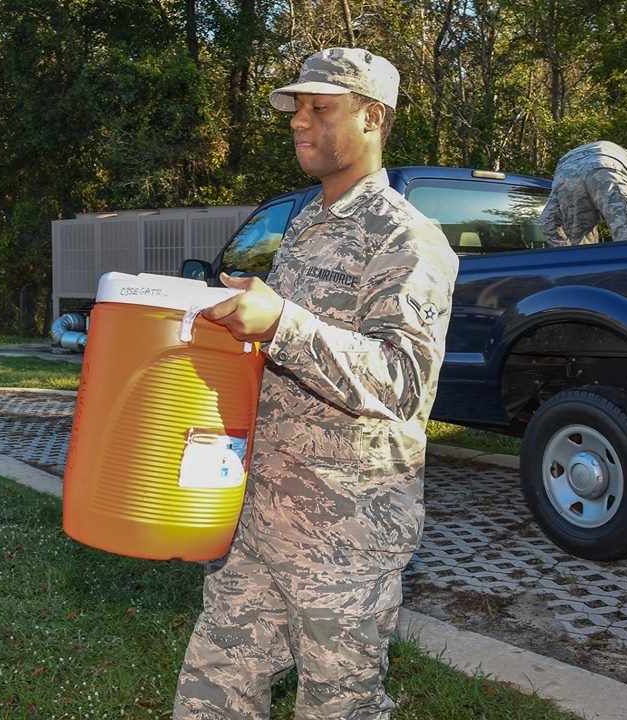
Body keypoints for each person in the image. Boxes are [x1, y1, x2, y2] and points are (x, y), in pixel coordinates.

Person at [172, 47, 458, 720]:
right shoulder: (305, 224)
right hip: (257, 519)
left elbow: (403, 381)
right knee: (212, 692)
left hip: (344, 539)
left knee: (339, 709)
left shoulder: (409, 239)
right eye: (297, 108)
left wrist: (282, 324)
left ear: (373, 119)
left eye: (320, 108)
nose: (300, 122)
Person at [538, 140, 627, 245]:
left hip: (566, 171)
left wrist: (565, 249)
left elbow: (546, 221)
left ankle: (586, 268)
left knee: (581, 245)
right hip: (606, 164)